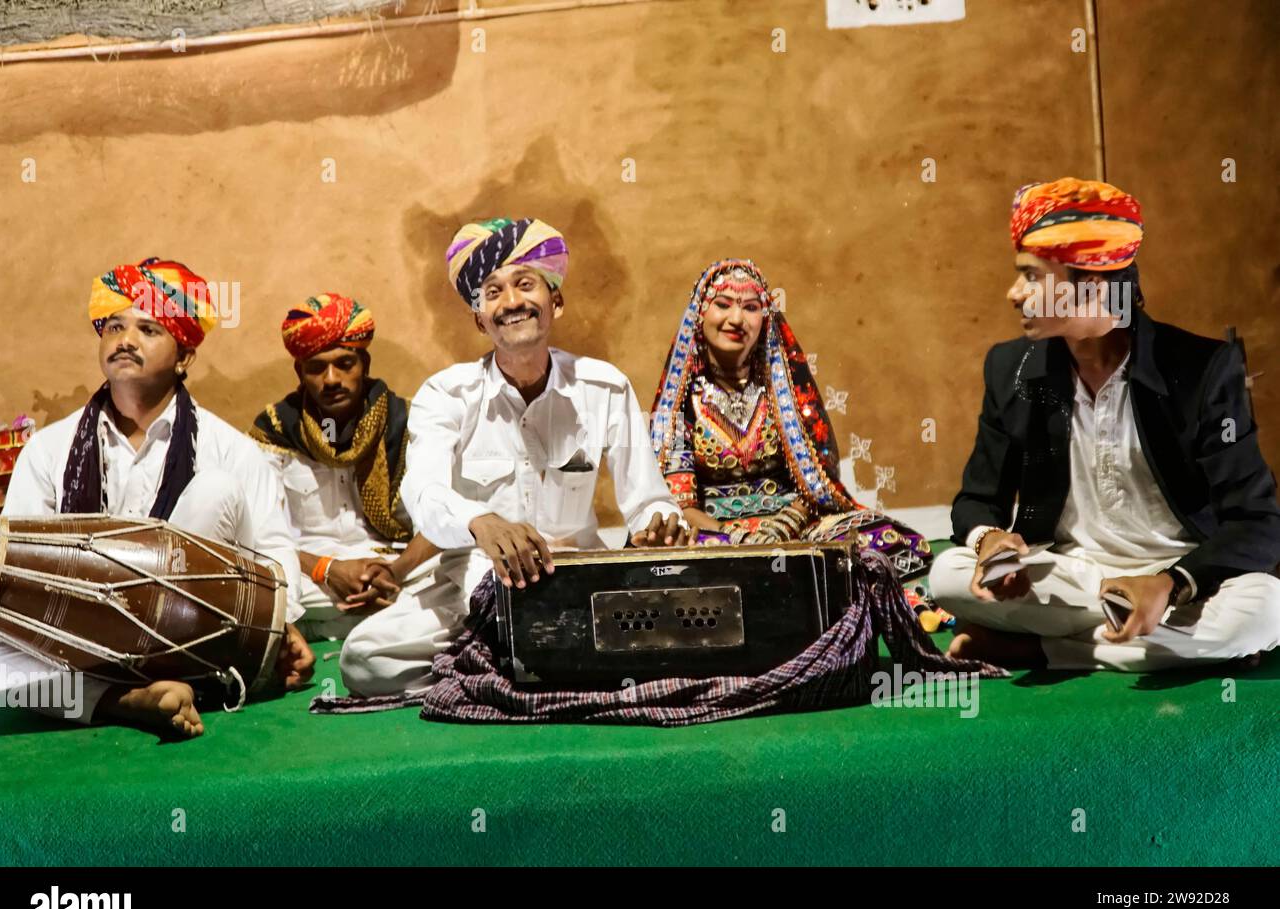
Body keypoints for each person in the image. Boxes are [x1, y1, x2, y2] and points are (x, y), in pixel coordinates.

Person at [929, 177, 1280, 671]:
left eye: (1031, 277)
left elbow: (1259, 522)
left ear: (1091, 284)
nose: (1014, 293)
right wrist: (992, 544)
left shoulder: (1201, 370)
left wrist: (1169, 584)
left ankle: (1039, 650)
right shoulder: (1010, 370)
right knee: (947, 573)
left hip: (1178, 581)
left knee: (1265, 610)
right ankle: (1152, 646)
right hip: (1074, 575)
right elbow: (976, 500)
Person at [339, 217, 687, 697]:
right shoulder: (446, 394)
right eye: (494, 292)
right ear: (479, 318)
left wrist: (659, 522)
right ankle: (527, 665)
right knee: (365, 661)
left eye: (526, 285)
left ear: (556, 301)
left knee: (681, 644)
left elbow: (647, 499)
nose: (512, 302)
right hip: (473, 587)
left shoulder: (604, 386)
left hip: (578, 581)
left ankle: (492, 672)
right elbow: (423, 493)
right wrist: (481, 522)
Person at [0, 257, 314, 737]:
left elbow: (275, 554)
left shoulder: (231, 450)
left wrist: (281, 625)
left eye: (148, 328)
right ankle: (127, 700)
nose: (125, 339)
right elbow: (11, 568)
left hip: (190, 636)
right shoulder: (48, 449)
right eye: (115, 326)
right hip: (77, 641)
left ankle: (132, 692)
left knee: (215, 489)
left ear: (184, 356)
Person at [648, 258, 932, 579]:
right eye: (723, 305)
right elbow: (683, 506)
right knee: (668, 562)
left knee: (893, 544)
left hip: (793, 527)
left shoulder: (785, 390)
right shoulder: (680, 403)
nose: (736, 319)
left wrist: (785, 524)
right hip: (717, 536)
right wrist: (737, 539)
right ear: (700, 313)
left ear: (765, 319)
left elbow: (817, 485)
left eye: (751, 307)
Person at [250, 293, 439, 642]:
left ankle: (348, 620)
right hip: (310, 577)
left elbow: (441, 518)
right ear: (299, 371)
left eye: (345, 364)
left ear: (364, 363)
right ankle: (385, 625)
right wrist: (327, 570)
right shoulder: (275, 429)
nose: (332, 378)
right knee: (259, 581)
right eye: (317, 367)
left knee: (459, 565)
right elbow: (260, 536)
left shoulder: (411, 421)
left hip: (395, 572)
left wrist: (395, 573)